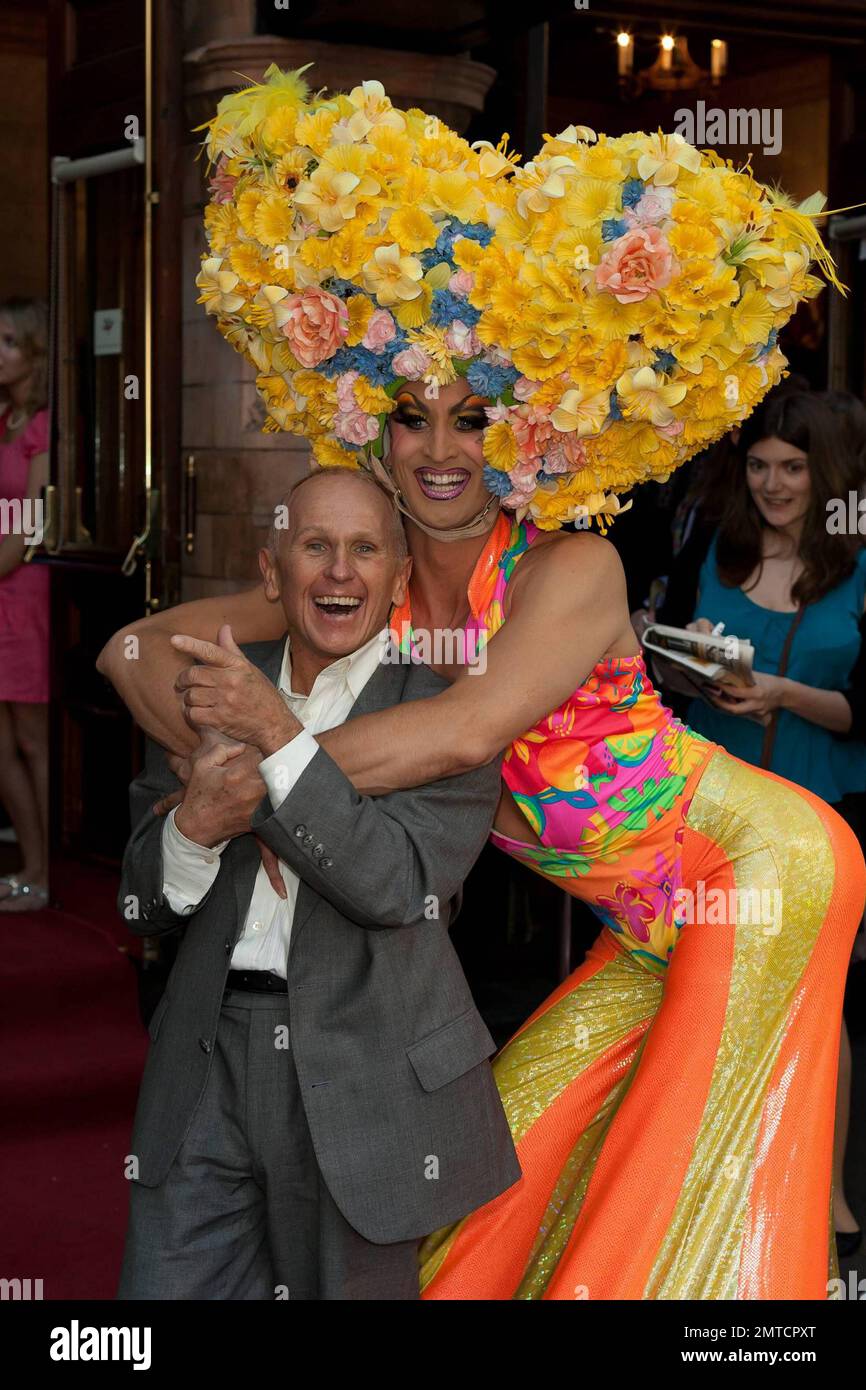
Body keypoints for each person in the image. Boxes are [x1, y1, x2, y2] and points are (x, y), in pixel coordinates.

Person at [99, 67, 866, 1297]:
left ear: (523, 427)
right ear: (371, 428)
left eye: (475, 416)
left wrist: (259, 765)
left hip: (757, 869)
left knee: (681, 1210)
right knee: (490, 1179)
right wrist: (225, 754)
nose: (443, 449)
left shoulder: (574, 565)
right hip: (644, 926)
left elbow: (464, 730)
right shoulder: (364, 582)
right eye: (412, 417)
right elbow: (133, 650)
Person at [116, 466, 519, 1300]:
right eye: (315, 547)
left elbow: (390, 887)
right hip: (205, 1057)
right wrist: (194, 828)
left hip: (367, 1073)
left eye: (366, 549)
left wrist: (277, 735)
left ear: (398, 580)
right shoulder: (210, 689)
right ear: (273, 573)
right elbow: (140, 902)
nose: (340, 571)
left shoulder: (444, 716)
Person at [684, 388, 866, 1258]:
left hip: (818, 818)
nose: (773, 482)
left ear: (826, 474)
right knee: (715, 991)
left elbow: (862, 712)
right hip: (715, 814)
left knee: (811, 998)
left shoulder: (862, 568)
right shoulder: (719, 552)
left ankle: (823, 1191)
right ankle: (723, 1178)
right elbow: (679, 670)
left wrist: (782, 695)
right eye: (759, 464)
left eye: (793, 466)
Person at [0, 297, 50, 912]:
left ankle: (43, 874)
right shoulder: (4, 417)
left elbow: (31, 525)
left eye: (9, 341)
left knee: (34, 739)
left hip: (24, 590)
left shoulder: (41, 424)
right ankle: (29, 868)